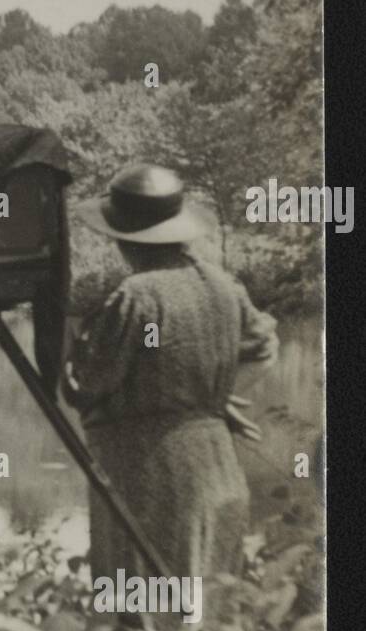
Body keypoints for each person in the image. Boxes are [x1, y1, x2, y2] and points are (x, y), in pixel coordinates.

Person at [63, 164, 278, 589]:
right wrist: (214, 400)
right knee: (212, 617)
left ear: (124, 239)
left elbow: (83, 389)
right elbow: (265, 348)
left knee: (148, 619)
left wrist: (59, 339)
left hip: (151, 482)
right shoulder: (222, 285)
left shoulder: (135, 296)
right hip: (217, 474)